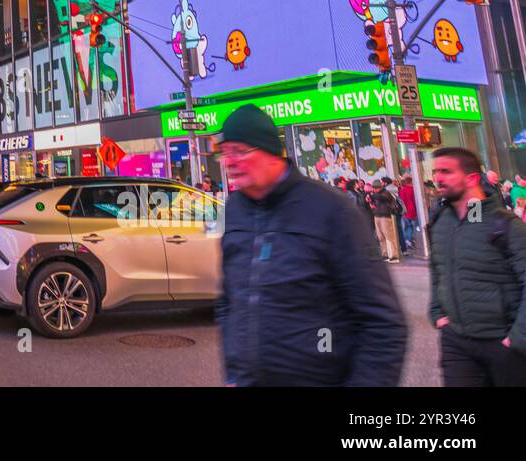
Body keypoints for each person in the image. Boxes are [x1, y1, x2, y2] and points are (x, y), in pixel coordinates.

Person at [216, 104, 406, 386]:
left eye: (240, 151)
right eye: (224, 152)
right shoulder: (234, 210)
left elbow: (382, 322)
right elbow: (229, 300)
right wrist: (234, 372)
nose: (229, 161)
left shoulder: (331, 209)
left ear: (270, 153)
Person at [428, 147, 526, 386]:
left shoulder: (506, 225)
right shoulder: (441, 221)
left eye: (446, 171)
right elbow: (437, 268)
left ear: (471, 178)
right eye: (435, 171)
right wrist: (437, 312)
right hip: (456, 340)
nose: (437, 178)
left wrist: (518, 338)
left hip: (502, 343)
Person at [365, 180, 402, 263]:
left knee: (389, 236)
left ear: (379, 187)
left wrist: (371, 195)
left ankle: (394, 255)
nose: (374, 190)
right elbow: (374, 201)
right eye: (373, 188)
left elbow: (381, 198)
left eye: (375, 188)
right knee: (380, 237)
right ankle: (384, 254)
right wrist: (370, 201)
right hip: (377, 215)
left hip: (385, 216)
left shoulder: (386, 193)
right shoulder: (376, 194)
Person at [399, 175, 419, 254]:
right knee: (414, 227)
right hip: (413, 211)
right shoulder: (413, 190)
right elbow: (415, 201)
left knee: (407, 227)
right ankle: (411, 240)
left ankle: (407, 240)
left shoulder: (402, 190)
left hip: (405, 212)